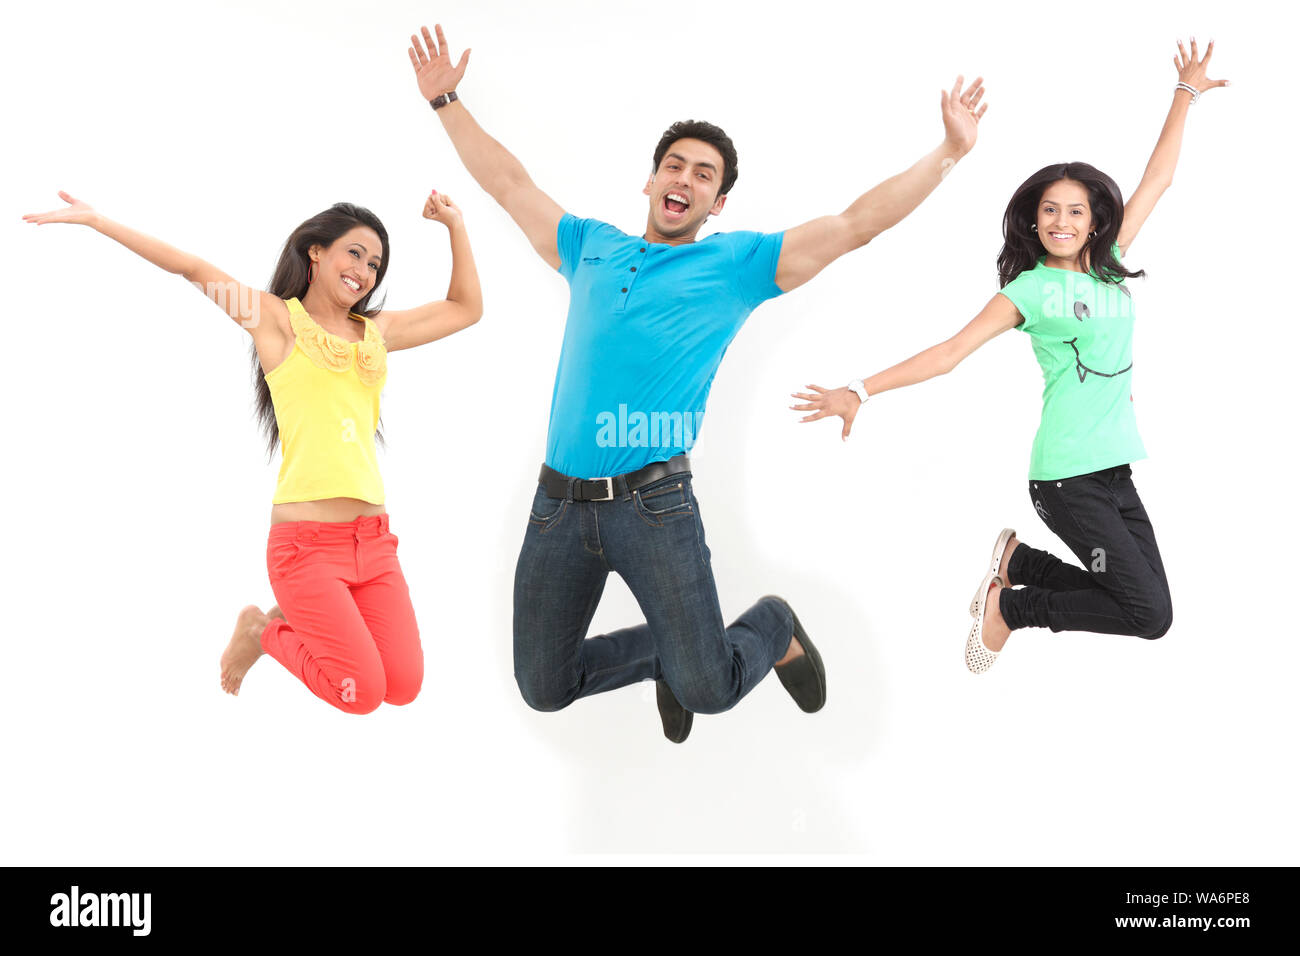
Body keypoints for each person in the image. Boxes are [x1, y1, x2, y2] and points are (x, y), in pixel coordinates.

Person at [406, 24, 986, 740]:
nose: (683, 178)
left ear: (717, 205)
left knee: (709, 690)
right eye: (673, 165)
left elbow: (855, 224)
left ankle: (771, 626)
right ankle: (664, 656)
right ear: (649, 182)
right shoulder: (590, 245)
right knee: (543, 687)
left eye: (703, 174)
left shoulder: (735, 266)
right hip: (557, 507)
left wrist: (950, 154)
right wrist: (446, 101)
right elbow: (508, 182)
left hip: (654, 507)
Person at [793, 39, 1227, 673]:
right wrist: (858, 390)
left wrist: (1185, 93)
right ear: (1033, 222)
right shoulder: (1029, 291)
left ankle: (1017, 565)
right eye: (1050, 210)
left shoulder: (1107, 269)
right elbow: (949, 352)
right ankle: (1013, 605)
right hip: (1067, 479)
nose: (1061, 220)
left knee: (1151, 607)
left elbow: (1158, 178)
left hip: (1116, 473)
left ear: (1095, 221)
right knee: (1146, 614)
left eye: (1075, 211)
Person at [23, 189, 482, 711]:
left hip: (373, 544)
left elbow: (466, 308)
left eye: (375, 263)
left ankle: (289, 615)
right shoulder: (275, 322)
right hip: (305, 548)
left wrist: (455, 226)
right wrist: (97, 221)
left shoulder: (376, 332)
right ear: (316, 252)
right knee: (361, 695)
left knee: (402, 686)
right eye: (353, 253)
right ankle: (263, 630)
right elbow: (191, 268)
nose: (364, 270)